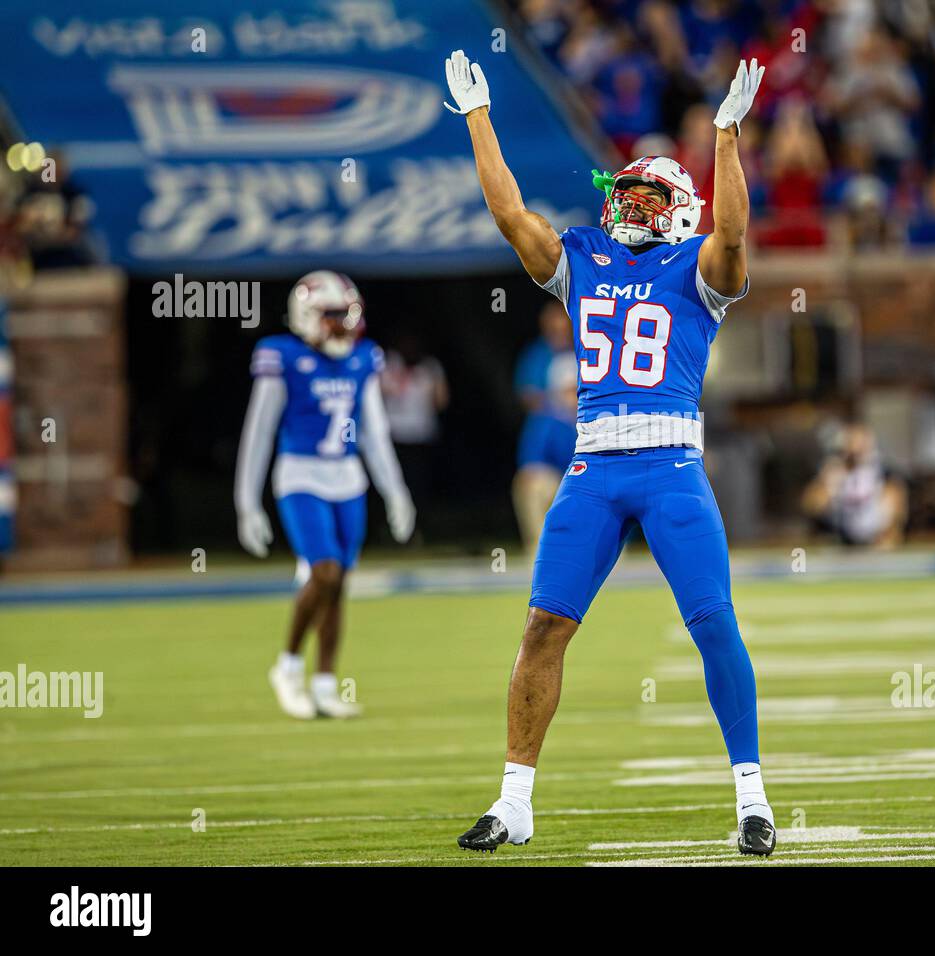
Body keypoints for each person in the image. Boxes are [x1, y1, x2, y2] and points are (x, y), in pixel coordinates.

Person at [442, 50, 775, 855]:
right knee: (542, 629)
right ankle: (514, 802)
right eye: (626, 191)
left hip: (669, 467)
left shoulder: (699, 266)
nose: (632, 204)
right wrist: (478, 120)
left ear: (681, 210)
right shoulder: (583, 258)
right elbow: (510, 216)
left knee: (713, 623)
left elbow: (732, 231)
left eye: (651, 195)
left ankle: (753, 799)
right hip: (591, 469)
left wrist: (726, 136)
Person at [234, 271, 415, 719]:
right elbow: (258, 433)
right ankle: (289, 667)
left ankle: (325, 682)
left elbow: (374, 433)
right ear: (307, 316)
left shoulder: (362, 359)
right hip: (300, 475)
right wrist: (246, 502)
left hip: (348, 477)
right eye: (332, 316)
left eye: (347, 315)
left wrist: (396, 492)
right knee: (324, 572)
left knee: (338, 585)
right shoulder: (283, 356)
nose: (342, 325)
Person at [513, 302, 578, 556]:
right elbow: (531, 466)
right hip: (561, 479)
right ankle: (541, 554)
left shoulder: (597, 419)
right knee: (531, 485)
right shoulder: (547, 421)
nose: (571, 394)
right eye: (566, 389)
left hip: (589, 482)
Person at [379, 334, 449, 545]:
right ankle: (389, 531)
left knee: (420, 487)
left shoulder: (429, 367)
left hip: (421, 435)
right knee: (392, 483)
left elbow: (441, 401)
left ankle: (418, 531)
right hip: (394, 435)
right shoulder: (387, 363)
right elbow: (376, 394)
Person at [801, 422, 907, 548]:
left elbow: (896, 506)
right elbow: (812, 505)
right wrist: (828, 482)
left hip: (875, 538)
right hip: (839, 539)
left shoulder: (884, 473)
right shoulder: (833, 470)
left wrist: (891, 531)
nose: (856, 451)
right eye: (851, 445)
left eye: (861, 446)